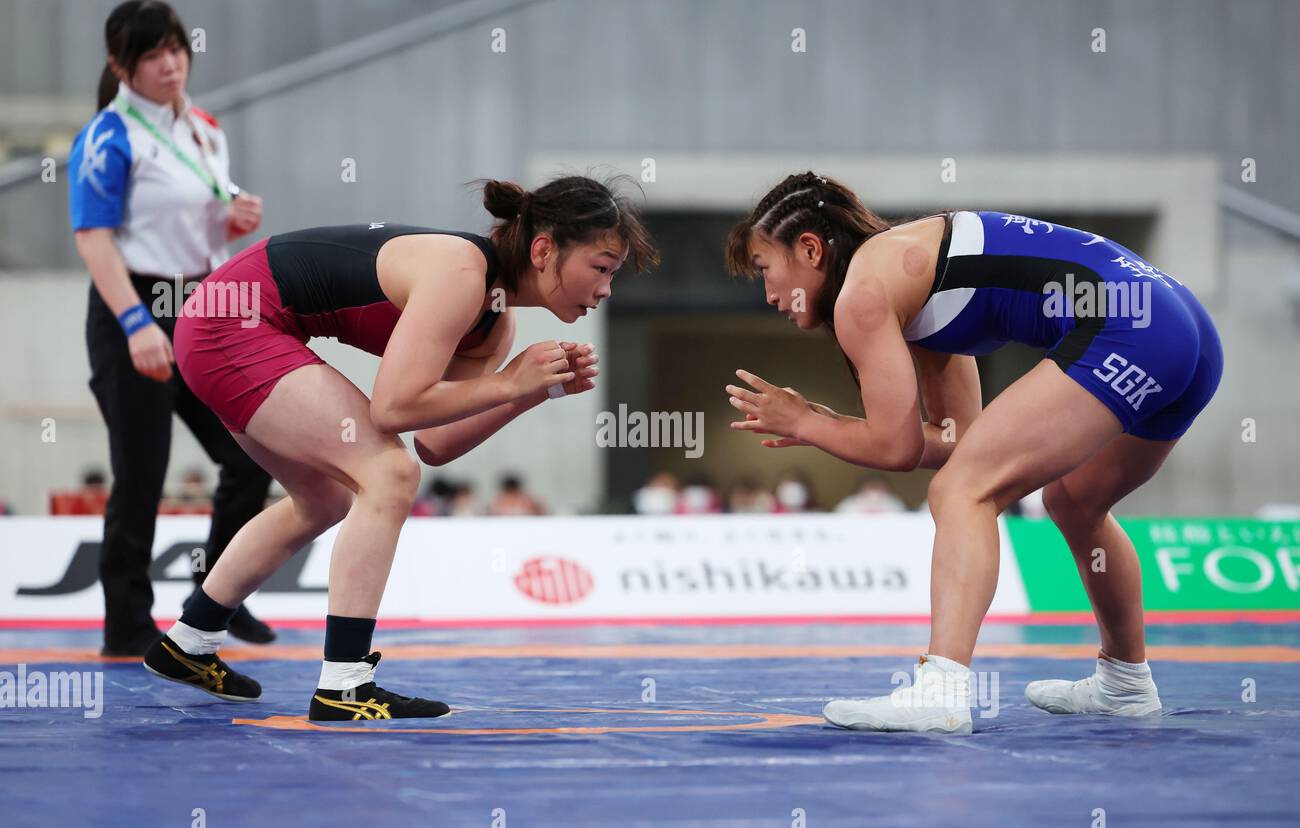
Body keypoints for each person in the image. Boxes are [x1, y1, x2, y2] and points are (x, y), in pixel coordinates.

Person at [144, 175, 658, 720]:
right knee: (387, 473)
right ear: (543, 250)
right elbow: (393, 409)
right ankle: (344, 683)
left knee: (327, 501)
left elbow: (434, 442)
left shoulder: (493, 324)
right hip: (230, 321)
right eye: (601, 269)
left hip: (228, 323)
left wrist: (527, 392)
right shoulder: (462, 273)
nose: (605, 290)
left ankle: (189, 641)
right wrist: (508, 383)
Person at [724, 172, 1223, 734]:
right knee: (1073, 500)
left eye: (766, 270)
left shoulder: (863, 292)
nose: (768, 296)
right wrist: (827, 424)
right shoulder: (916, 283)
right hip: (1186, 330)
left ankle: (940, 690)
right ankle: (1126, 684)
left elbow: (900, 449)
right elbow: (959, 440)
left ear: (810, 249)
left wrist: (809, 421)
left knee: (961, 492)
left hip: (1136, 326)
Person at [68, 0, 275, 655]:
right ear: (121, 65)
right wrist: (135, 322)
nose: (170, 64)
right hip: (134, 306)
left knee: (250, 455)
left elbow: (205, 222)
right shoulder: (108, 136)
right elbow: (94, 238)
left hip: (202, 308)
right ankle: (126, 626)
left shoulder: (206, 128)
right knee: (142, 472)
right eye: (153, 55)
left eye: (177, 50)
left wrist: (233, 219)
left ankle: (217, 596)